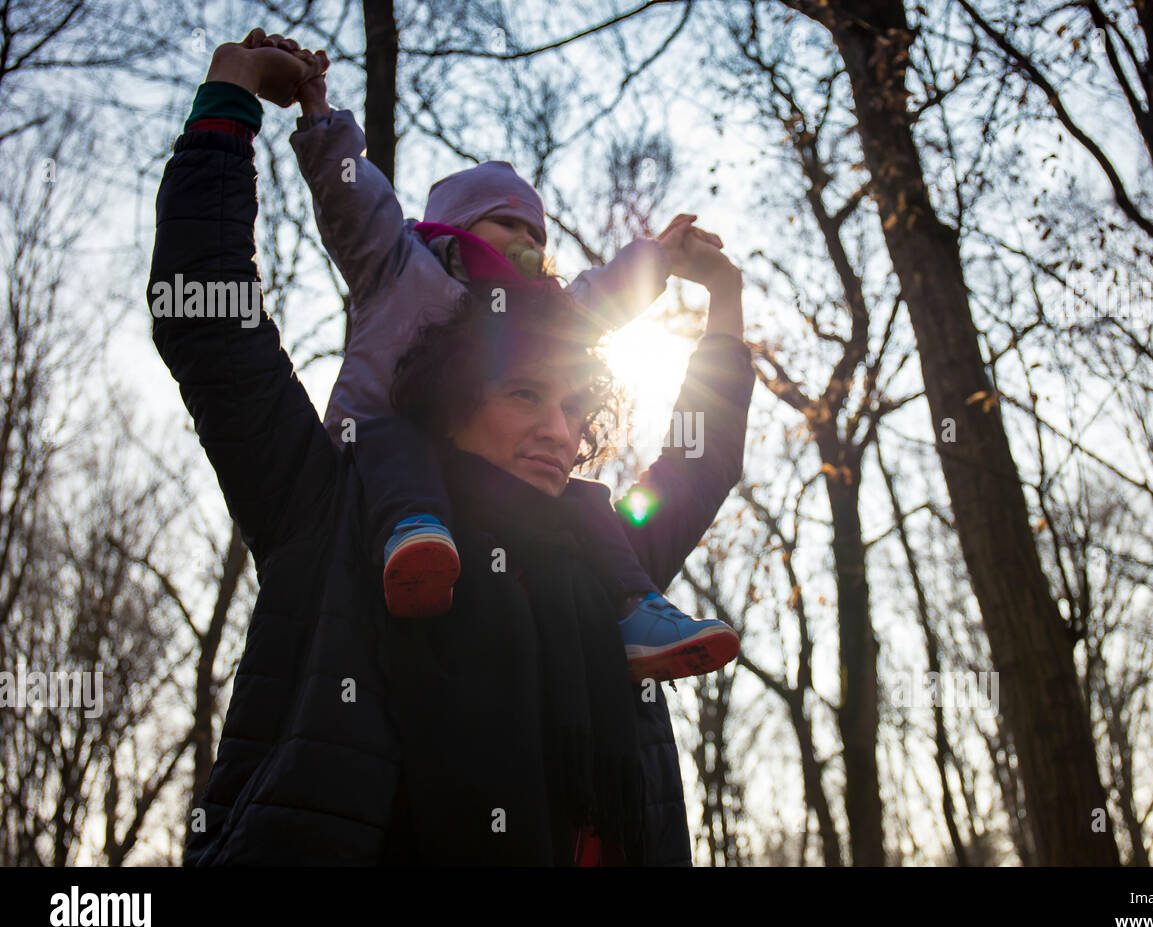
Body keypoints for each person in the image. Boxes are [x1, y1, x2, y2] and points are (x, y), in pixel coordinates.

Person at [151, 35, 755, 865]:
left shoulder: (610, 558)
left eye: (578, 408)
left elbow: (702, 456)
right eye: (524, 395)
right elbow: (208, 319)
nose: (561, 431)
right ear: (446, 403)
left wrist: (725, 301)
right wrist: (231, 97)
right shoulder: (336, 521)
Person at [213, 30, 738, 683]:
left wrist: (659, 256)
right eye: (506, 222)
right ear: (456, 226)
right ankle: (414, 537)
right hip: (374, 454)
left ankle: (632, 605)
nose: (525, 239)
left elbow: (605, 294)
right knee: (400, 448)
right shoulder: (398, 262)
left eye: (535, 233)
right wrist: (316, 112)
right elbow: (353, 197)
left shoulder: (537, 316)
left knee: (588, 501)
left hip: (482, 481)